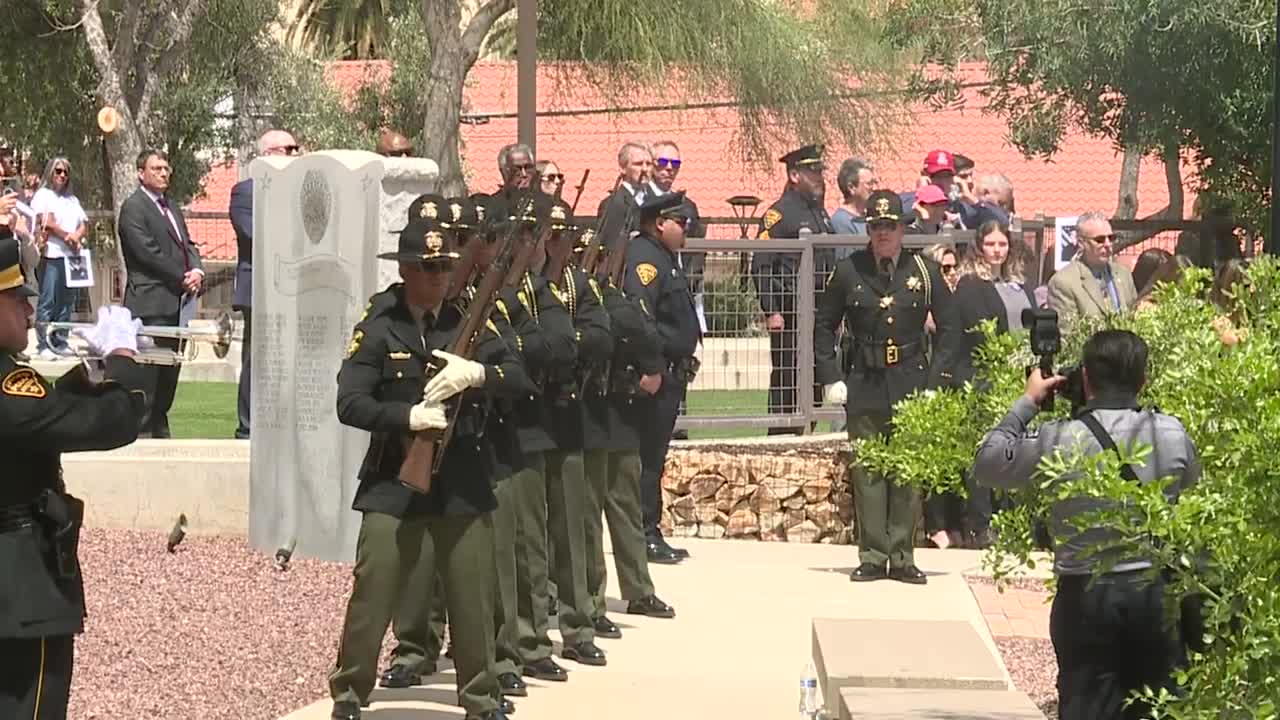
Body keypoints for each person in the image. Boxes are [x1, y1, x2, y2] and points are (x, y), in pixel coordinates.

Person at [327, 218, 530, 720]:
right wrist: (406, 415)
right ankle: (350, 693)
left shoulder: (468, 321)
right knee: (374, 587)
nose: (438, 276)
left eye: (444, 266)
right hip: (392, 478)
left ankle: (481, 698)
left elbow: (521, 377)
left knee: (472, 594)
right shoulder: (379, 326)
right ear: (406, 270)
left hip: (460, 478)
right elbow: (349, 403)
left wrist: (479, 373)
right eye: (427, 267)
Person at [973, 330, 1200, 720]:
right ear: (1143, 380)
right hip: (1153, 597)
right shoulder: (1170, 433)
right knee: (1162, 707)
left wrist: (1028, 401)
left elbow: (988, 463)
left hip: (1085, 599)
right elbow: (1192, 490)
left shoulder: (1059, 438)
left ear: (1085, 379)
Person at [0, 228, 149, 720]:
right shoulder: (9, 387)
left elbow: (38, 416)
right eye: (17, 296)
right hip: (22, 589)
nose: (28, 307)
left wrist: (88, 374)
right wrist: (125, 363)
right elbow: (108, 426)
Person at [814, 190, 959, 584]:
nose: (882, 234)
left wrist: (936, 381)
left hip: (911, 380)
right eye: (875, 226)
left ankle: (904, 555)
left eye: (889, 226)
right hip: (865, 380)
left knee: (907, 475)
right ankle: (874, 556)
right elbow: (824, 325)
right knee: (869, 473)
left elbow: (950, 328)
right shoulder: (849, 271)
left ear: (902, 229)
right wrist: (831, 377)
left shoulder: (924, 272)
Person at [623, 191, 702, 563]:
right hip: (657, 376)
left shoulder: (664, 257)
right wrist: (651, 367)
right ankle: (644, 532)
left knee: (654, 455)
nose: (687, 228)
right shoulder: (645, 258)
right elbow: (641, 316)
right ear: (660, 223)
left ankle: (650, 528)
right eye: (681, 222)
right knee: (647, 457)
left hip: (671, 374)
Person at [117, 149, 204, 438]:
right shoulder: (134, 208)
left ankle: (161, 430)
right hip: (149, 305)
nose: (164, 173)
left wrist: (197, 271)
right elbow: (147, 253)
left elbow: (187, 244)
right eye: (157, 168)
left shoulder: (171, 207)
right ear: (141, 173)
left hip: (176, 306)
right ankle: (142, 436)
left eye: (167, 168)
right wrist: (181, 277)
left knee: (169, 375)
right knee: (149, 378)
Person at [752, 143, 834, 436]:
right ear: (795, 175)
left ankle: (806, 429)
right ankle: (781, 432)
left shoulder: (820, 212)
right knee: (788, 373)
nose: (819, 178)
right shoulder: (780, 214)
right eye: (812, 173)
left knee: (816, 375)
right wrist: (771, 310)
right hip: (790, 309)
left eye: (820, 172)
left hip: (820, 309)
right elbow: (761, 264)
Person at [229, 129, 300, 440]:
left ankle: (282, 425)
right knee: (257, 358)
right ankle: (248, 427)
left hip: (294, 286)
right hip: (260, 286)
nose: (296, 154)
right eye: (290, 149)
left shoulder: (300, 190)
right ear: (270, 153)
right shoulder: (245, 192)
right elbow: (256, 235)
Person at [30, 157, 89, 360]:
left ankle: (60, 341)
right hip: (52, 255)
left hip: (72, 258)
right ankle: (43, 344)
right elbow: (48, 223)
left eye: (65, 172)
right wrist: (68, 236)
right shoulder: (43, 195)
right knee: (48, 300)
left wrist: (77, 236)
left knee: (67, 301)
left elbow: (84, 224)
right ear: (50, 173)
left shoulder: (73, 200)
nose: (62, 175)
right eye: (58, 171)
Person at [1046, 211, 1137, 324]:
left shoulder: (1123, 275)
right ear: (1081, 243)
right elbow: (1068, 336)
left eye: (1111, 238)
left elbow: (1133, 319)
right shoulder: (1063, 283)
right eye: (1100, 240)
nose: (1108, 244)